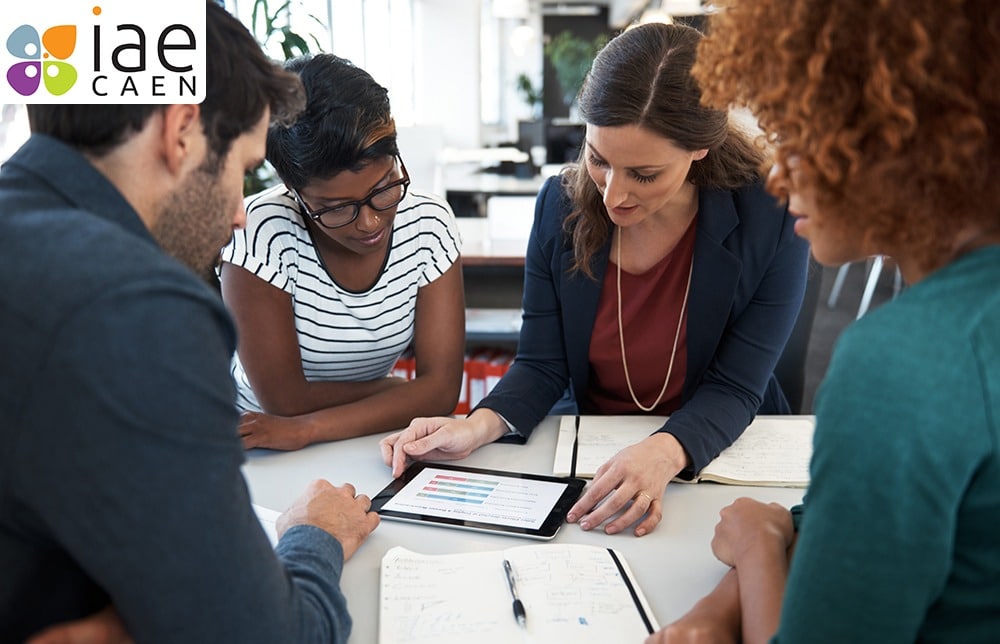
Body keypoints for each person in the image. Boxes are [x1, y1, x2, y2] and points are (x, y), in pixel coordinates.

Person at [0, 3, 379, 643]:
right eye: (241, 169)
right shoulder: (133, 304)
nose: (239, 214)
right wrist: (315, 533)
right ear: (180, 131)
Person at [648, 1, 1000, 642]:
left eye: (801, 140)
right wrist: (725, 603)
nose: (779, 177)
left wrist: (757, 547)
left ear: (896, 138)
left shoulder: (905, 360)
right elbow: (867, 524)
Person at [382, 22, 810, 537]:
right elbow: (541, 364)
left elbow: (737, 385)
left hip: (719, 451)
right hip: (591, 447)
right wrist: (475, 425)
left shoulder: (771, 215)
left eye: (644, 175)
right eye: (599, 160)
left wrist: (661, 452)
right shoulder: (559, 205)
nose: (613, 197)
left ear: (701, 148)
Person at [218, 53, 465, 451]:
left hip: (367, 441)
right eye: (335, 208)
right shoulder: (261, 227)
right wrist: (394, 391)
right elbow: (283, 402)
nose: (368, 223)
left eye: (384, 188)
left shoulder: (428, 222)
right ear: (293, 189)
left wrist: (308, 428)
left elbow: (441, 391)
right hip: (259, 446)